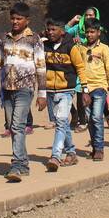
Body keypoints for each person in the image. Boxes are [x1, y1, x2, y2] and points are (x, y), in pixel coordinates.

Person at [0, 2, 46, 182]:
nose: (15, 21)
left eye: (19, 19)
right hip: (7, 89)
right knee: (12, 126)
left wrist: (42, 94)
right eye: (13, 18)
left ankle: (17, 164)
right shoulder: (5, 38)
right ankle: (23, 163)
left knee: (18, 125)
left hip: (25, 88)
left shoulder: (34, 39)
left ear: (27, 20)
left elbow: (41, 67)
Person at [43, 18, 87, 171]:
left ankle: (55, 156)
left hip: (66, 91)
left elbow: (81, 68)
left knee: (60, 123)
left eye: (54, 29)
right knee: (64, 124)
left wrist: (85, 90)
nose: (50, 32)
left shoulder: (71, 47)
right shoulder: (44, 46)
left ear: (62, 31)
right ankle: (71, 152)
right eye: (48, 29)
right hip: (50, 91)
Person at [78, 21, 109, 160]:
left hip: (100, 87)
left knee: (96, 117)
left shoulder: (104, 48)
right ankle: (95, 147)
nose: (89, 35)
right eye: (87, 32)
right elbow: (80, 68)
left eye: (92, 32)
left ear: (98, 32)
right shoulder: (81, 48)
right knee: (89, 119)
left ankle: (100, 148)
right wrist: (82, 88)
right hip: (85, 88)